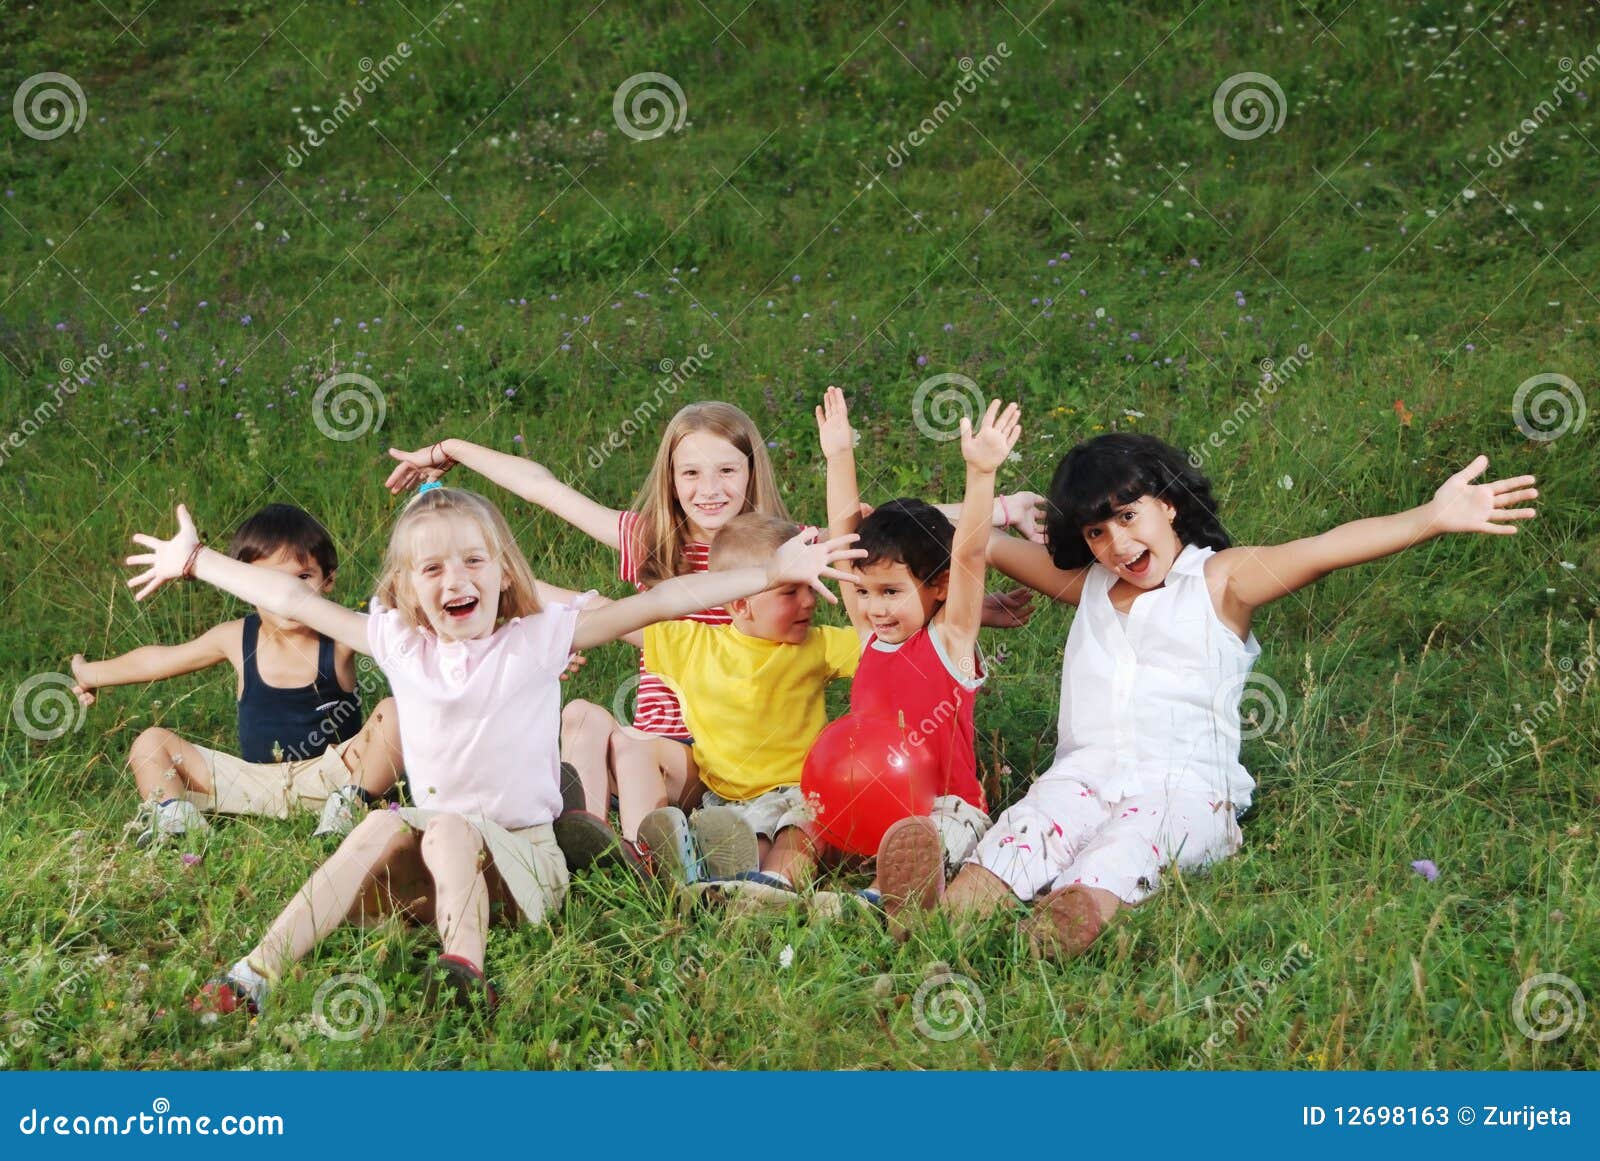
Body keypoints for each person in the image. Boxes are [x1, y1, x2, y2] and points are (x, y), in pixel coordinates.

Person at [121, 487, 859, 1015]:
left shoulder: (535, 641)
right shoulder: (399, 644)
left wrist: (770, 572)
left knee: (439, 823)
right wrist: (199, 561)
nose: (455, 580)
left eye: (473, 561)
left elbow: (662, 601)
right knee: (381, 823)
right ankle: (252, 975)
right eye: (432, 568)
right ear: (406, 587)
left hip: (527, 866)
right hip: (440, 863)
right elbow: (296, 602)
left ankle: (466, 970)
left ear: (505, 573)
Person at [878, 434, 1538, 957]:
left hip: (1183, 790)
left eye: (1128, 517)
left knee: (1124, 849)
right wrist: (997, 500)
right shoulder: (1087, 588)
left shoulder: (1218, 581)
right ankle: (938, 913)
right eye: (1096, 533)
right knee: (1024, 832)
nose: (1118, 544)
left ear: (1167, 504)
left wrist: (1430, 516)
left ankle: (1052, 934)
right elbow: (944, 533)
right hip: (1080, 779)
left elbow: (1324, 548)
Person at [383, 405, 1040, 870]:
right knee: (603, 727)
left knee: (652, 757)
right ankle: (595, 839)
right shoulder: (649, 542)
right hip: (663, 738)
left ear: (753, 473)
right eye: (690, 474)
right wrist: (455, 453)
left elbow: (884, 538)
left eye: (727, 472)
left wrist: (995, 514)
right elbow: (546, 490)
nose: (709, 490)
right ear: (669, 479)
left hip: (733, 751)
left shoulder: (781, 549)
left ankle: (662, 851)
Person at [70, 503, 400, 845]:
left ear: (328, 580)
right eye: (269, 580)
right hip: (249, 783)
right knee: (151, 743)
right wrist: (90, 673)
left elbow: (397, 638)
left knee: (394, 712)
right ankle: (176, 820)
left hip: (331, 777)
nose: (292, 593)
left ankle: (350, 806)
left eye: (303, 578)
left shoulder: (340, 634)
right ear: (247, 584)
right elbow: (159, 661)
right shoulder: (235, 637)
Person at [814, 387, 1012, 926]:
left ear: (939, 587)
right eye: (865, 592)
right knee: (801, 817)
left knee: (920, 838)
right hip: (865, 796)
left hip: (945, 809)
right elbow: (842, 540)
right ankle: (774, 880)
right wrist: (839, 455)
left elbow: (970, 553)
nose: (873, 608)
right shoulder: (869, 636)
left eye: (891, 592)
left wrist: (981, 474)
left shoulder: (949, 641)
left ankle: (879, 899)